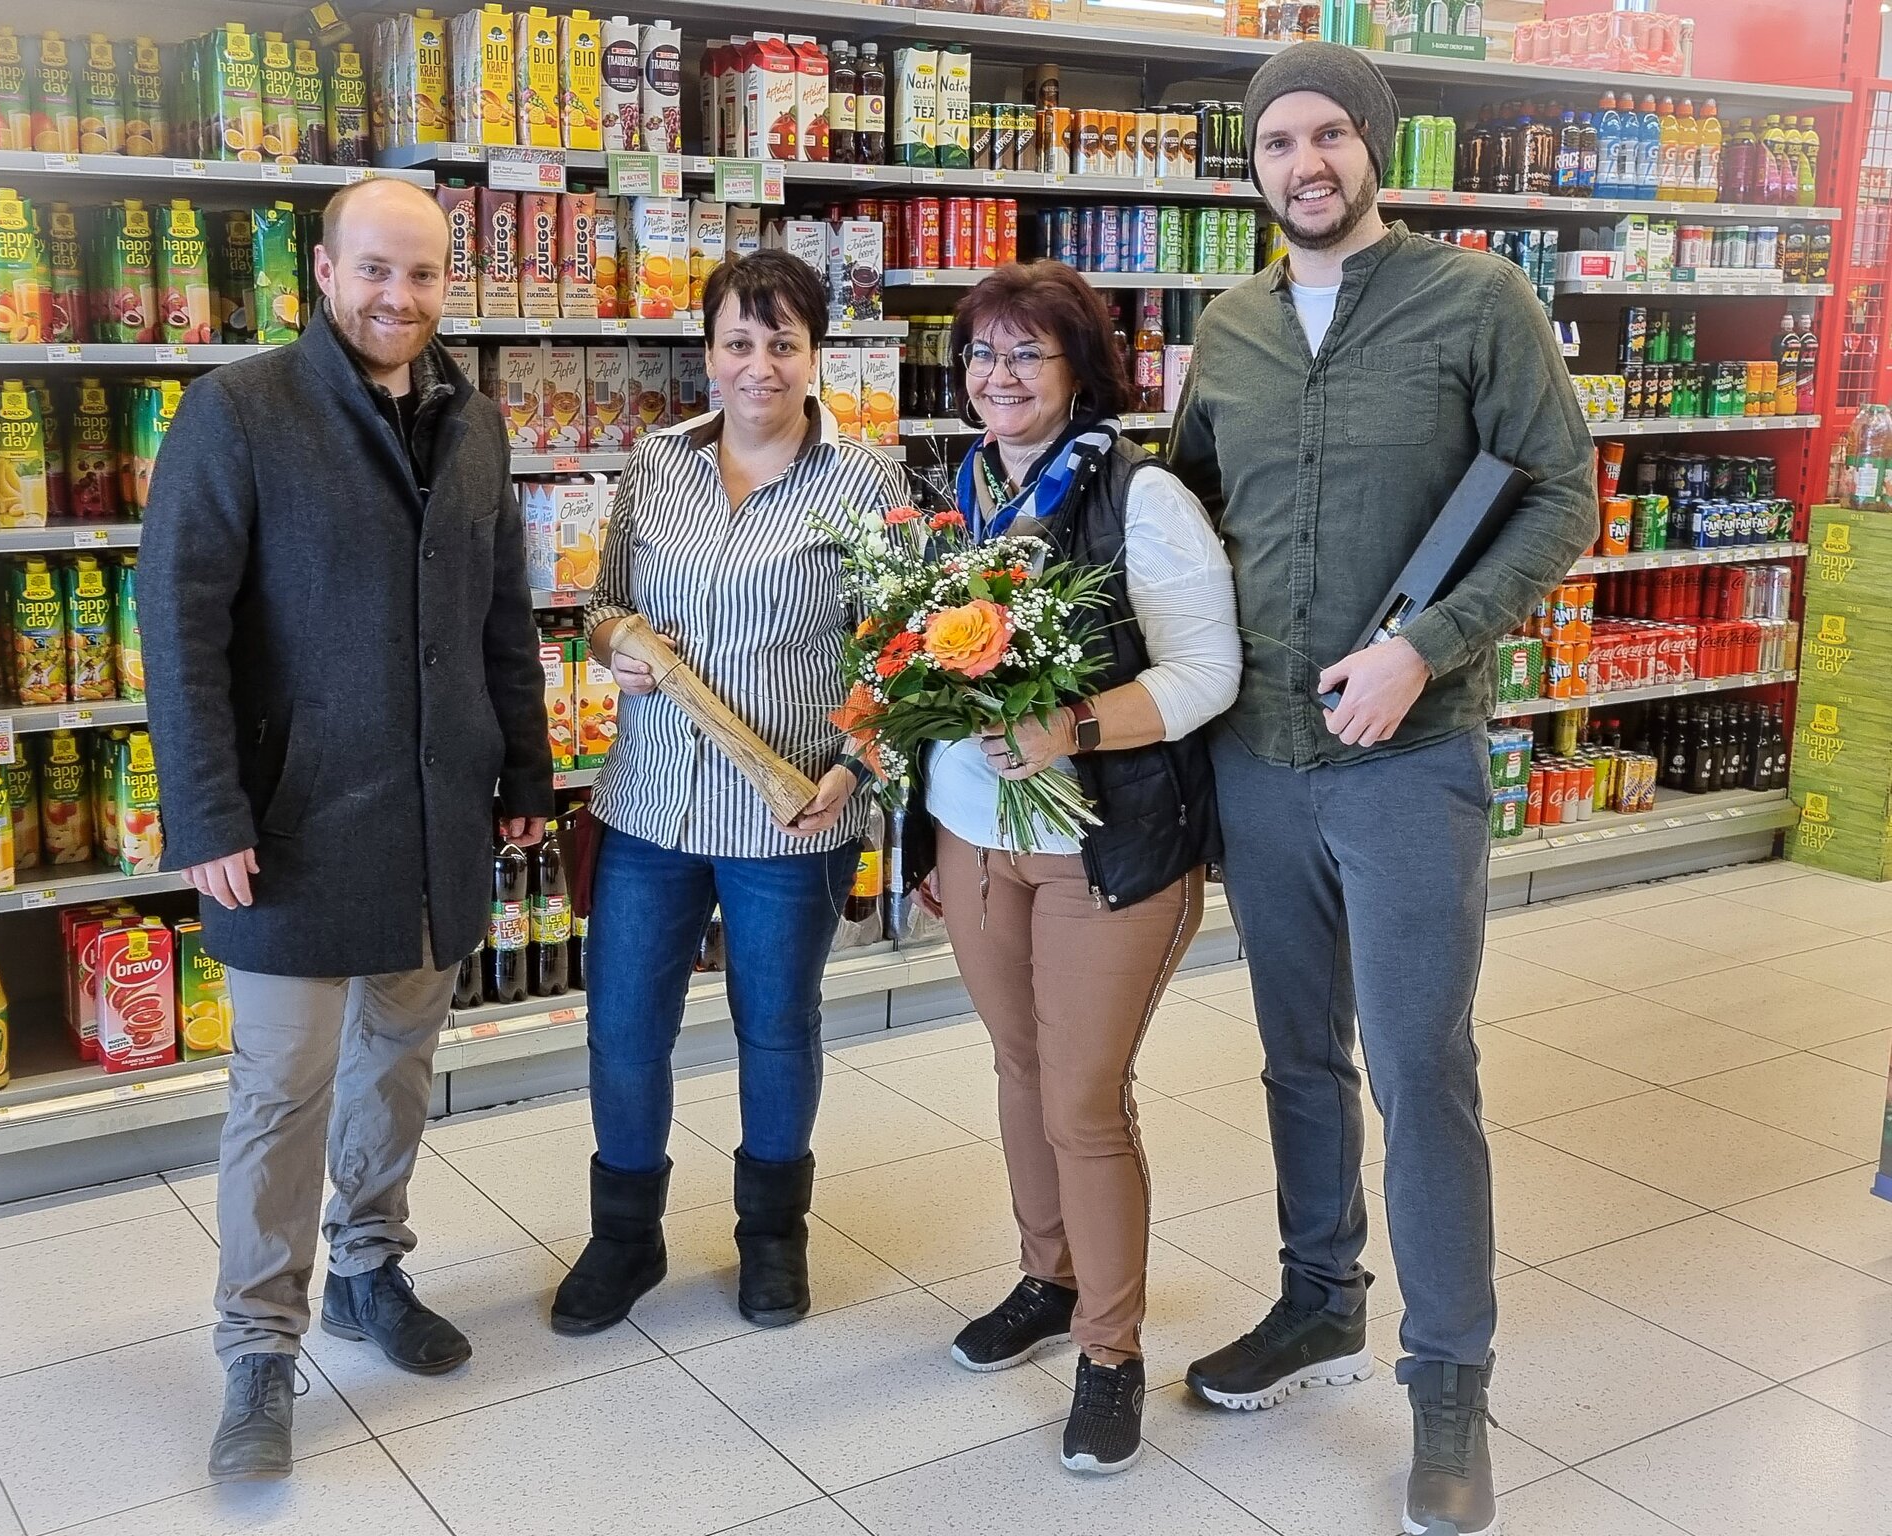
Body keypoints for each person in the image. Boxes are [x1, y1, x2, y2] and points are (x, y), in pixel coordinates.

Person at [1167, 43, 1596, 1536]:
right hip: (1260, 759)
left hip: (1410, 757)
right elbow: (1186, 523)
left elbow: (1562, 495)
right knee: (1299, 1055)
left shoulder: (1477, 300)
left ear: (1375, 147)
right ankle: (1318, 1297)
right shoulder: (1222, 329)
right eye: (1278, 139)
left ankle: (1450, 1379)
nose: (1306, 162)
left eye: (1330, 133)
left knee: (1421, 1070)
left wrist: (1427, 644)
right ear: (1254, 163)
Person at [142, 177, 555, 1484]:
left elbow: (503, 620)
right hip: (289, 822)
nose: (399, 298)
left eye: (424, 276)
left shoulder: (472, 421)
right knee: (281, 1091)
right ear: (324, 270)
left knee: (398, 1062)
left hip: (437, 810)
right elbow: (181, 623)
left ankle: (374, 1265)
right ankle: (259, 1344)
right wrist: (207, 808)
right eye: (375, 270)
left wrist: (527, 773)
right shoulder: (241, 411)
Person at [904, 261, 1242, 1475]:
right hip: (974, 839)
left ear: (1081, 369)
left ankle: (1110, 1350)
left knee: (1082, 1101)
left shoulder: (1136, 498)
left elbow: (1208, 673)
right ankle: (1045, 1281)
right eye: (980, 356)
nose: (996, 378)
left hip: (1103, 851)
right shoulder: (956, 488)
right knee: (1015, 1066)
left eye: (1024, 355)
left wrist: (1073, 727)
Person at [552, 250, 908, 1337]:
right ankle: (624, 1236)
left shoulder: (865, 482)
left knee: (776, 1026)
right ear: (706, 353)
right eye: (737, 343)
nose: (757, 366)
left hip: (785, 810)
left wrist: (850, 772)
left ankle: (772, 1235)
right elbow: (602, 606)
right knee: (622, 1027)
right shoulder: (656, 463)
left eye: (781, 343)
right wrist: (613, 641)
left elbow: (895, 656)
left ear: (815, 356)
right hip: (648, 801)